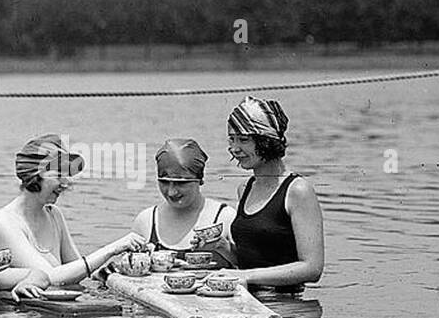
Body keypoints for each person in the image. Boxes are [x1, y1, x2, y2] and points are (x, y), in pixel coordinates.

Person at [0, 133, 149, 290]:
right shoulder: (3, 222)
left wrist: (120, 266)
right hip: (16, 316)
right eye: (59, 175)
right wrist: (112, 248)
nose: (65, 183)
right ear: (35, 175)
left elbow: (80, 270)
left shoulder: (54, 214)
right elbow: (50, 278)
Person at [224, 96, 325, 288]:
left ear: (267, 142)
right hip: (250, 300)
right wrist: (223, 248)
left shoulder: (297, 190)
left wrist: (246, 276)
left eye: (243, 140)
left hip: (288, 306)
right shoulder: (245, 189)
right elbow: (256, 260)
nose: (234, 148)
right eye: (232, 139)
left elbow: (312, 268)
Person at [131, 137, 236, 260]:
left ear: (200, 179)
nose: (171, 192)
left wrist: (223, 247)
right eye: (164, 182)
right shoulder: (146, 221)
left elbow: (250, 268)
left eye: (181, 183)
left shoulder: (226, 218)